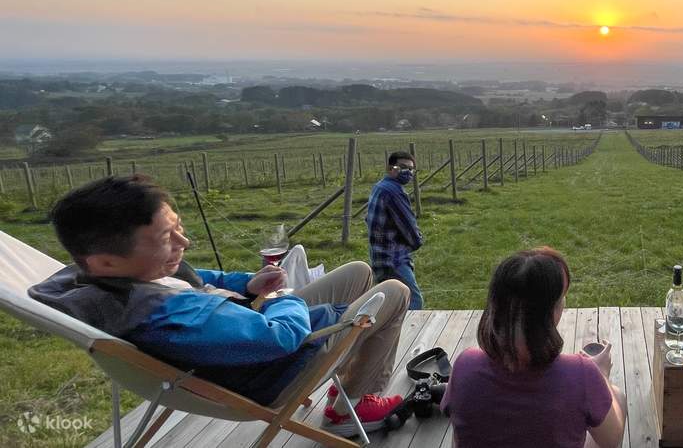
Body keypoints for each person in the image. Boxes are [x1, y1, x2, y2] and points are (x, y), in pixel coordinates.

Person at [27, 175, 412, 437]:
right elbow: (279, 336)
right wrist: (285, 299)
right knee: (393, 292)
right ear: (108, 261)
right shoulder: (169, 316)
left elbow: (191, 276)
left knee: (359, 271)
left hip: (245, 333)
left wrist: (245, 283)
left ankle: (347, 382)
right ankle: (352, 406)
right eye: (166, 237)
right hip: (276, 364)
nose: (183, 242)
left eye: (178, 226)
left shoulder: (93, 277)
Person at [441, 247, 627, 448]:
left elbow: (459, 436)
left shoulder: (465, 365)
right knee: (618, 396)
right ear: (552, 311)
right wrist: (603, 377)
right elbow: (611, 440)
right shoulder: (582, 374)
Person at [366, 151, 424, 310]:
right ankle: (409, 334)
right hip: (394, 258)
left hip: (379, 256)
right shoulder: (394, 192)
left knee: (389, 304)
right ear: (391, 168)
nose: (409, 173)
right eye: (404, 167)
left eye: (412, 169)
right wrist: (417, 241)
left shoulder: (379, 187)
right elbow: (409, 227)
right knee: (413, 301)